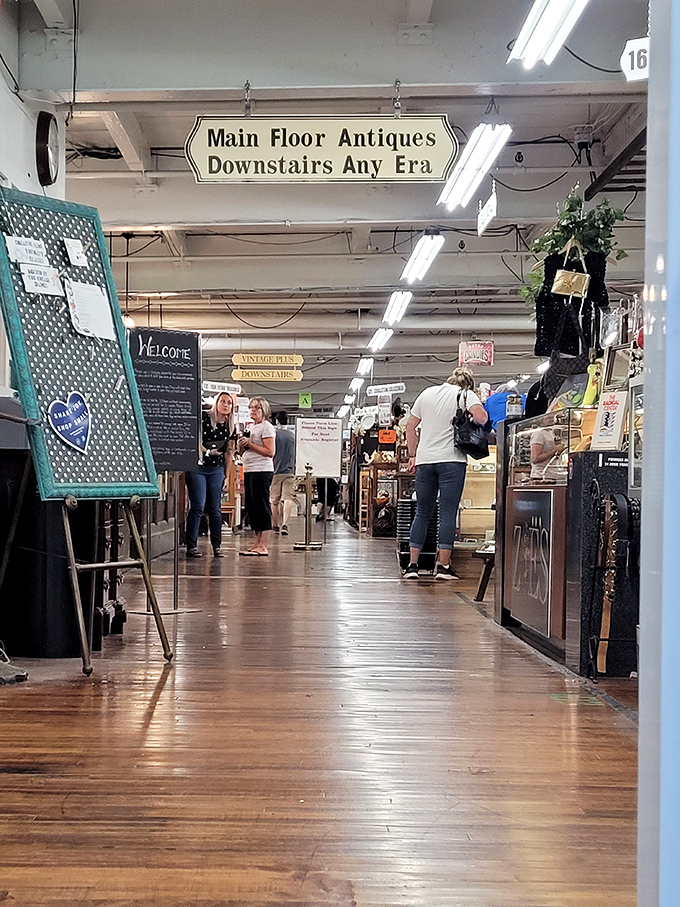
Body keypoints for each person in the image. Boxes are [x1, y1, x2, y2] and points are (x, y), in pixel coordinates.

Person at [403, 366, 489, 580]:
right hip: (452, 460)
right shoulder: (466, 394)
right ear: (468, 384)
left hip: (425, 461)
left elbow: (410, 426)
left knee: (422, 512)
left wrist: (412, 454)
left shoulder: (426, 393)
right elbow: (482, 418)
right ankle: (443, 566)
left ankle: (412, 566)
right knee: (447, 513)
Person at [185, 392, 235, 558]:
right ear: (217, 403)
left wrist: (227, 476)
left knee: (215, 508)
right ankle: (191, 545)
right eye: (222, 401)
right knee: (198, 505)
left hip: (216, 469)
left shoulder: (230, 427)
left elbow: (229, 453)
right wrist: (207, 451)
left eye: (229, 403)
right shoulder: (204, 419)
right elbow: (193, 440)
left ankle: (217, 546)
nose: (225, 405)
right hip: (198, 466)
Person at [238, 396, 276, 556]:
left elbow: (270, 452)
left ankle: (263, 545)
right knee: (252, 507)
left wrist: (251, 445)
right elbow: (246, 450)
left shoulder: (266, 427)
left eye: (256, 408)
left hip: (261, 470)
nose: (252, 410)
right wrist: (242, 446)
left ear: (264, 410)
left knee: (261, 505)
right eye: (251, 407)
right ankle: (256, 543)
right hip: (249, 469)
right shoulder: (252, 427)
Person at [271, 411, 296, 535]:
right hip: (290, 471)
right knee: (287, 498)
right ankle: (285, 524)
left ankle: (275, 524)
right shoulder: (292, 436)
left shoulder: (274, 435)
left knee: (274, 500)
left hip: (275, 471)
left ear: (276, 421)